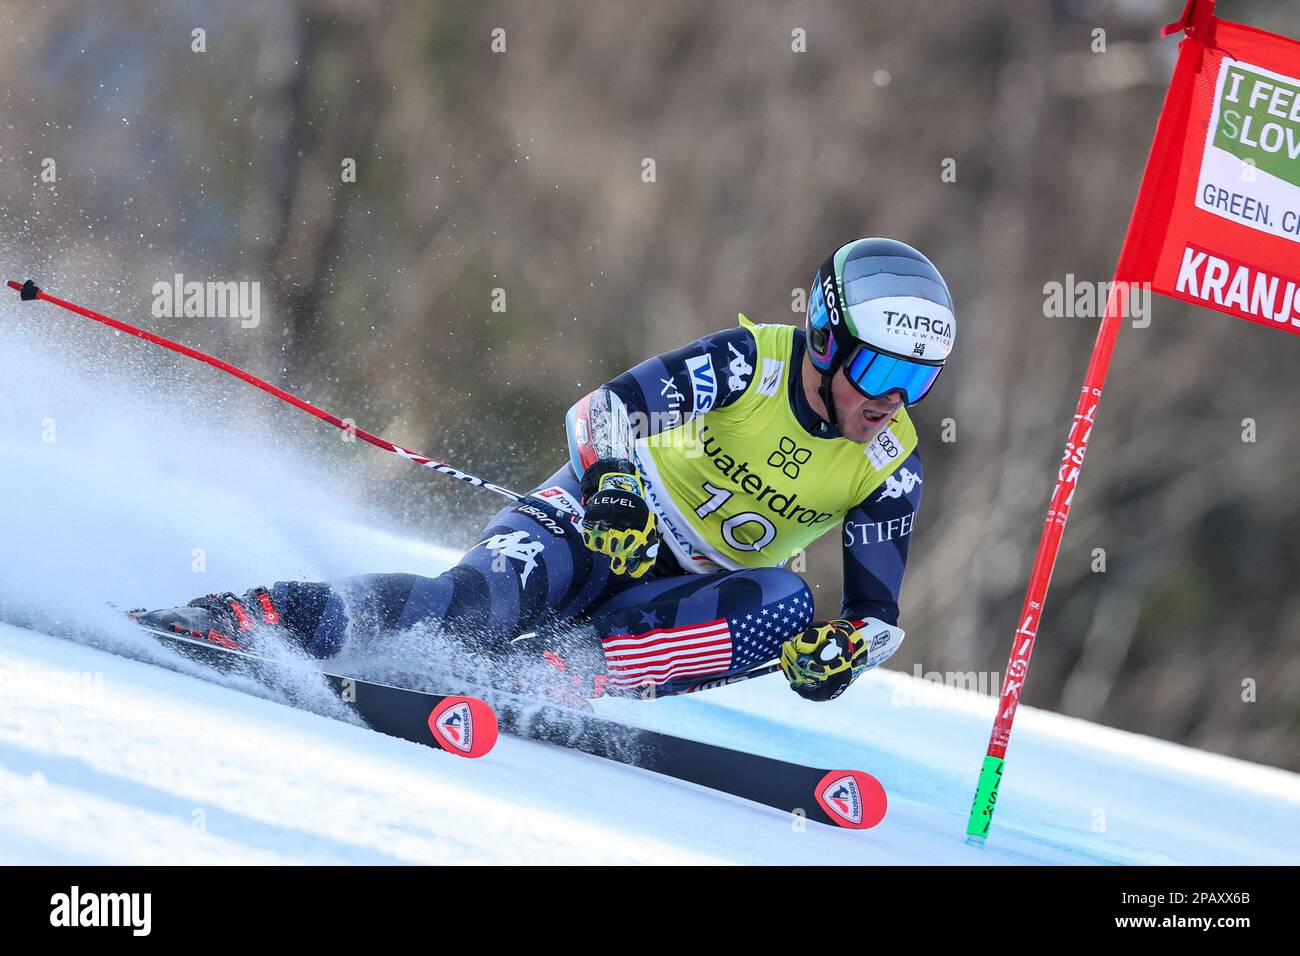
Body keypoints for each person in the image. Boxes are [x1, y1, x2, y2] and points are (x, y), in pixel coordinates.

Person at [136, 237, 955, 703]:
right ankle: (251, 618)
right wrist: (618, 492)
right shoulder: (753, 365)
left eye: (919, 381)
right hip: (596, 528)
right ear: (824, 339)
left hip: (673, 600)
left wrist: (840, 656)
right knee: (472, 605)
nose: (894, 400)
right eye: (882, 372)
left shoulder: (891, 462)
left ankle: (548, 677)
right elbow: (600, 414)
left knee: (784, 603)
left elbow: (875, 615)